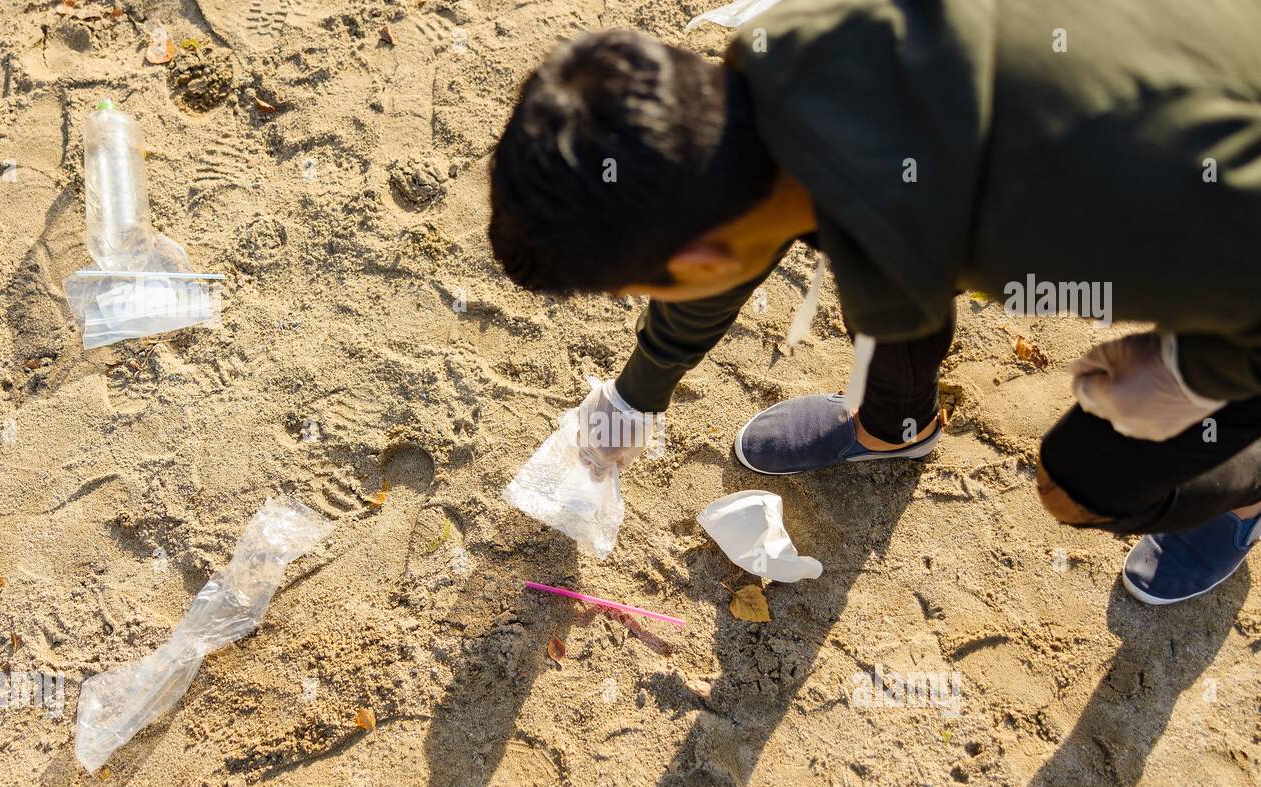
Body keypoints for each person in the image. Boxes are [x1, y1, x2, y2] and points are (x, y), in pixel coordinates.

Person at [487, 0, 1261, 605]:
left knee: (1080, 482)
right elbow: (721, 251)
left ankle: (1244, 497)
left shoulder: (1035, 221)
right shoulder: (767, 72)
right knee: (877, 276)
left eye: (643, 284)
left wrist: (1187, 372)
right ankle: (895, 426)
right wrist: (635, 396)